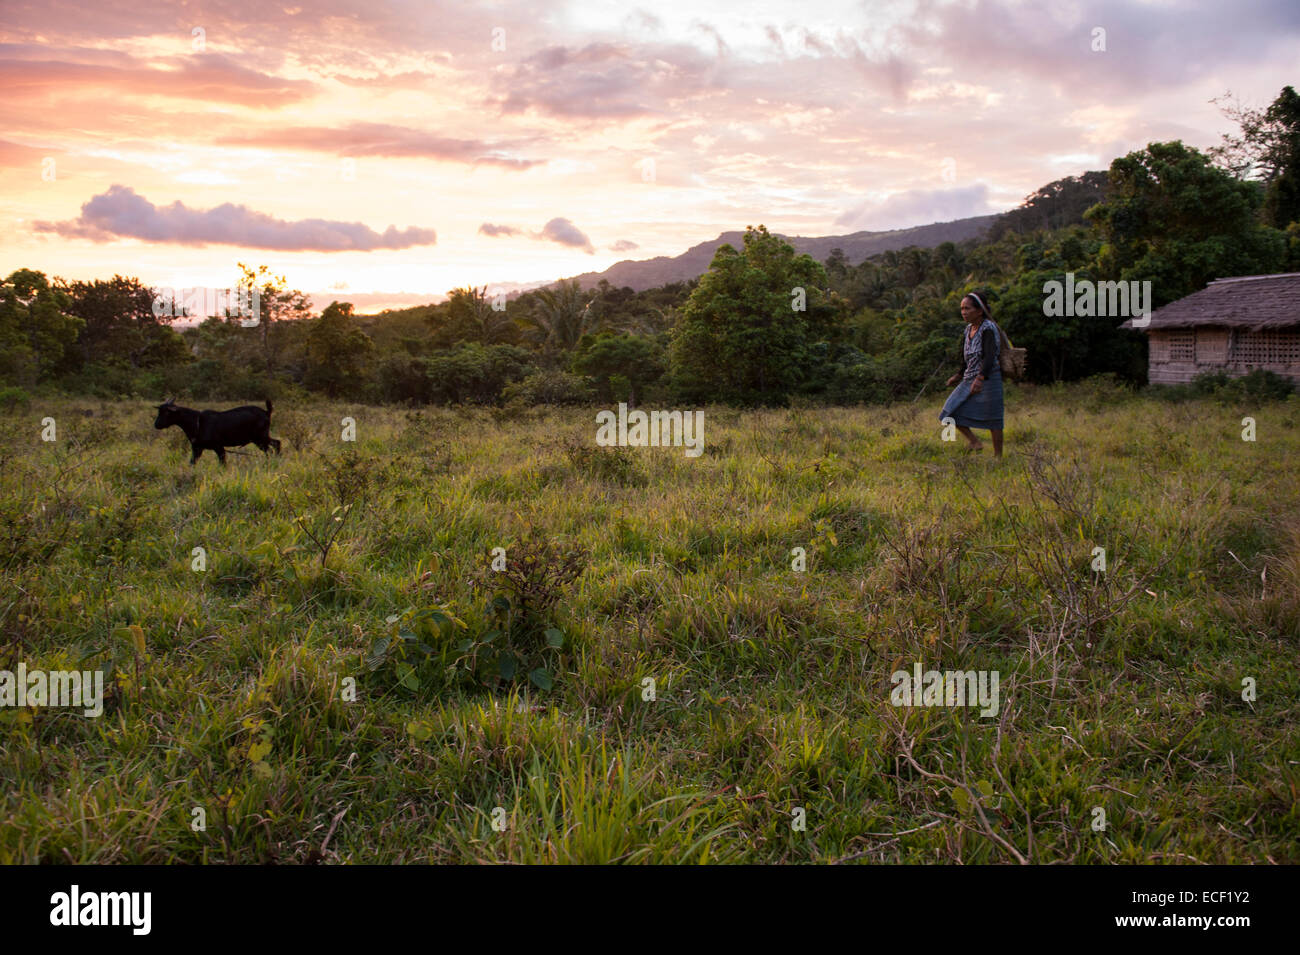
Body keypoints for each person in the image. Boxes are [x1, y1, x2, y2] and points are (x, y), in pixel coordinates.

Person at [940, 292, 1004, 457]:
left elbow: (989, 356)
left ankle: (998, 457)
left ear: (979, 311)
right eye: (962, 309)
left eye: (967, 308)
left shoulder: (988, 329)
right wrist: (958, 375)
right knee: (948, 412)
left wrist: (980, 378)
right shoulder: (968, 329)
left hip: (989, 378)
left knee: (994, 418)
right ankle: (974, 442)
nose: (964, 312)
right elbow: (966, 356)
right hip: (969, 377)